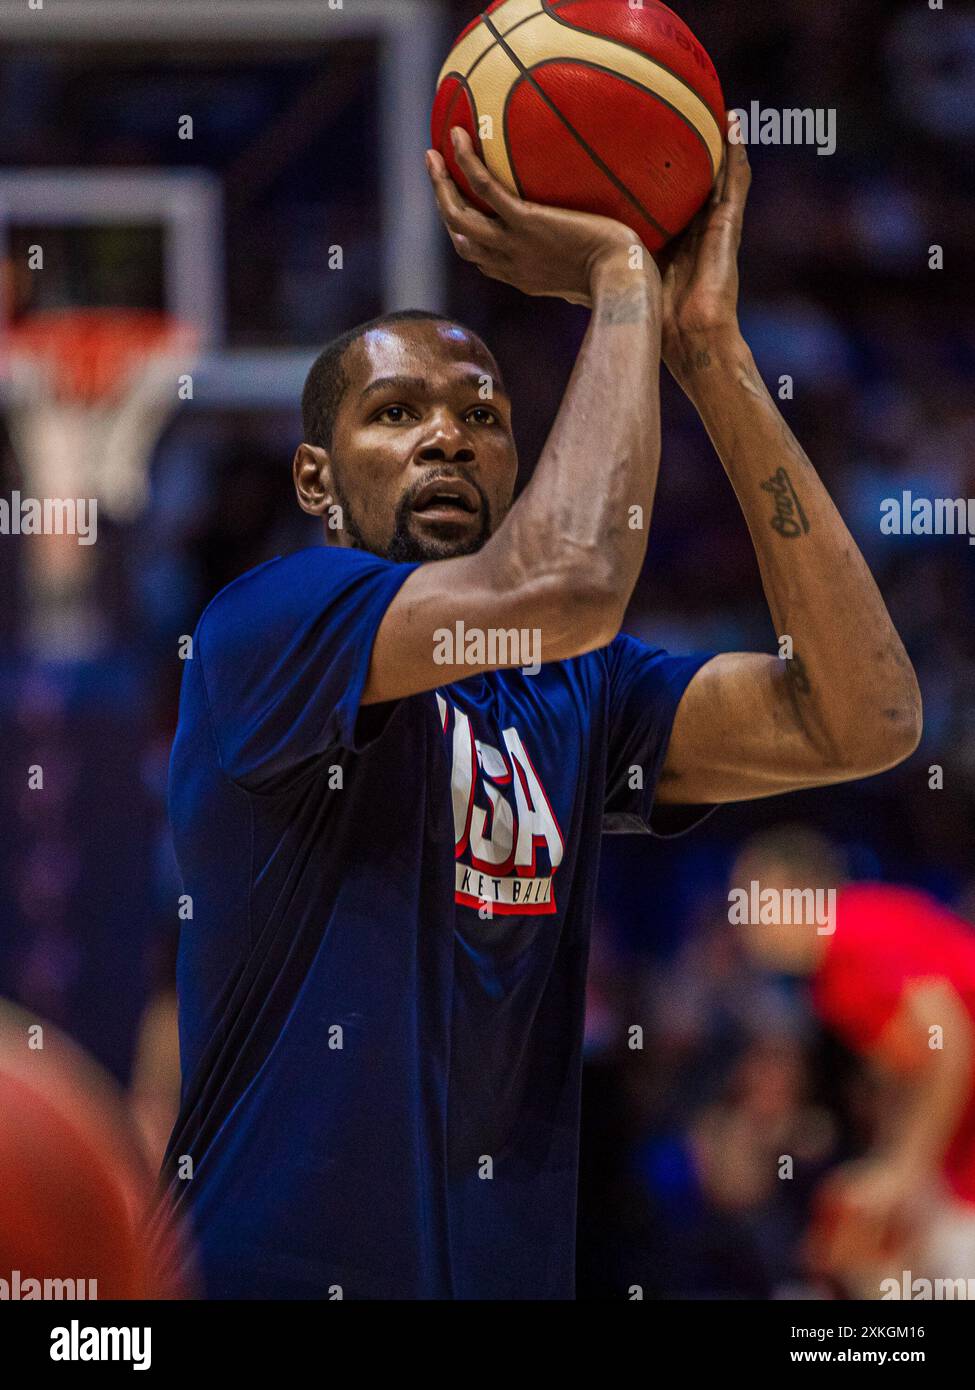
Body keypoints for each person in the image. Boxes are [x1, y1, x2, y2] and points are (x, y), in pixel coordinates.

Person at [161, 127, 921, 1298]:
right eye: (395, 413)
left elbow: (866, 718)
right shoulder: (272, 621)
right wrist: (619, 278)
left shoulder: (578, 687)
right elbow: (565, 581)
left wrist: (709, 353)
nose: (448, 435)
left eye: (483, 414)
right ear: (316, 478)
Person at [730, 826, 975, 1295]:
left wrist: (902, 1171)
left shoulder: (854, 933)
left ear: (792, 891)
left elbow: (950, 1047)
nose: (741, 920)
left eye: (748, 898)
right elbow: (912, 1077)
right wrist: (886, 1167)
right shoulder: (830, 983)